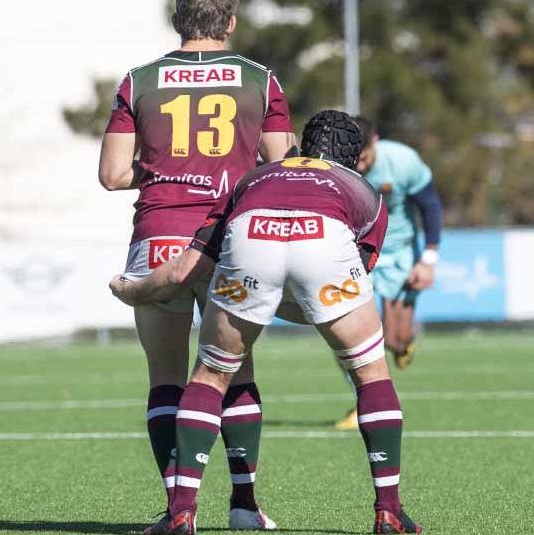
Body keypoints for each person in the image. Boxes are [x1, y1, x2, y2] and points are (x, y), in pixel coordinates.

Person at [111, 110, 422, 535]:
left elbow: (189, 267)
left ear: (299, 149)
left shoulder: (253, 178)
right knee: (371, 374)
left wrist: (132, 289)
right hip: (326, 238)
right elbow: (343, 281)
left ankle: (181, 513)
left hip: (251, 233)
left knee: (211, 376)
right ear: (356, 158)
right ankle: (388, 510)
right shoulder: (363, 189)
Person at [98, 0, 294, 530]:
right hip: (231, 239)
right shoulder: (260, 79)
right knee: (233, 367)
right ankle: (244, 505)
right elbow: (280, 168)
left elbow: (113, 175)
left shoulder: (139, 81)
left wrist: (166, 172)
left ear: (176, 21)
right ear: (230, 22)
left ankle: (176, 507)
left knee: (166, 374)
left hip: (158, 235)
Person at [333, 117, 443, 430]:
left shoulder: (403, 161)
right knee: (347, 331)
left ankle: (405, 343)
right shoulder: (340, 167)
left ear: (375, 142)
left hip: (399, 254)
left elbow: (431, 207)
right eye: (357, 160)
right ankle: (365, 401)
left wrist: (428, 259)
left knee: (394, 340)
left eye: (365, 158)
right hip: (355, 254)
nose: (361, 166)